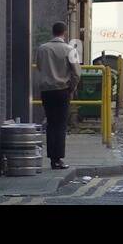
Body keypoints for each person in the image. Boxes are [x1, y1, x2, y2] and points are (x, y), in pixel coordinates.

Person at [35, 22, 81, 169]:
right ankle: (58, 159)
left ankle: (51, 158)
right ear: (64, 33)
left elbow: (40, 66)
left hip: (47, 91)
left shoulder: (42, 49)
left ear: (52, 32)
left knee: (51, 123)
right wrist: (72, 88)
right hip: (62, 91)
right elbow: (77, 73)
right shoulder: (70, 50)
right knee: (60, 125)